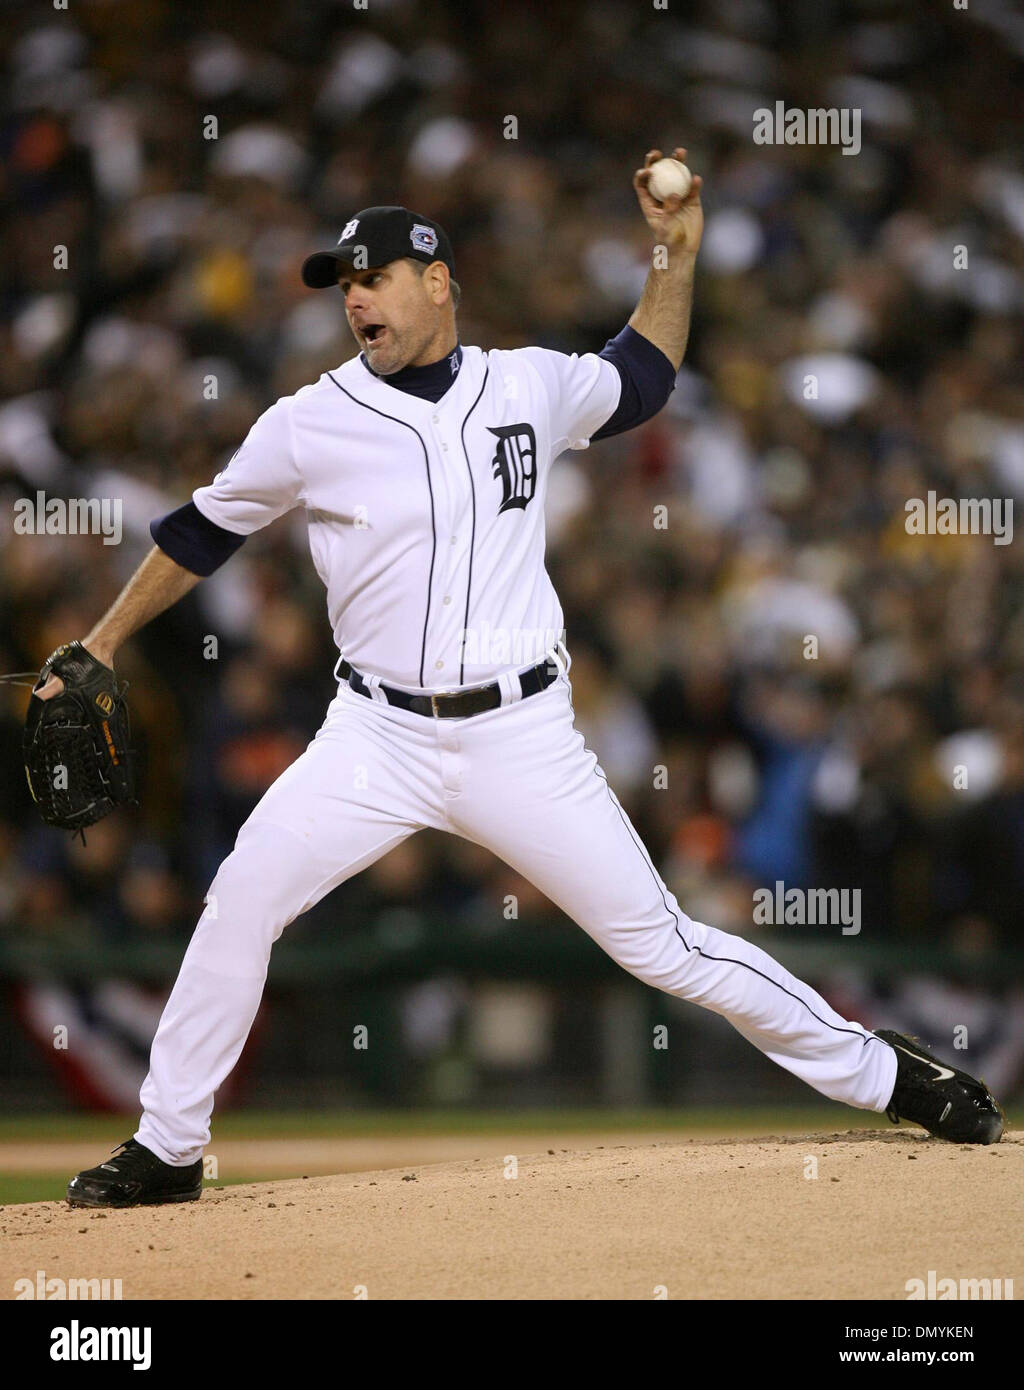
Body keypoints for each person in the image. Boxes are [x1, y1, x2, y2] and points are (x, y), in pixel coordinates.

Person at [45, 149, 1001, 1208]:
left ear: (437, 280)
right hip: (374, 738)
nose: (354, 294)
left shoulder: (529, 384)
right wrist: (104, 638)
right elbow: (196, 532)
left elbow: (645, 374)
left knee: (664, 947)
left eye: (372, 274)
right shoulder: (306, 422)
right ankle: (169, 1146)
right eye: (342, 281)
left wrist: (672, 257)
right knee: (240, 899)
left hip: (521, 734)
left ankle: (885, 1072)